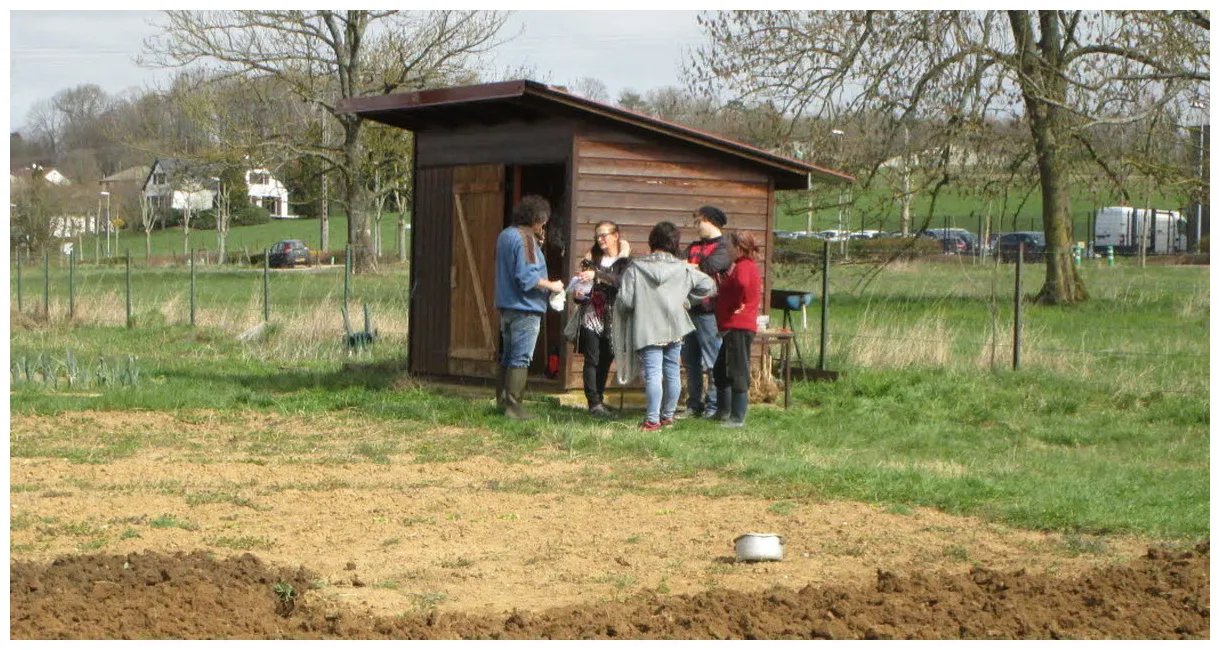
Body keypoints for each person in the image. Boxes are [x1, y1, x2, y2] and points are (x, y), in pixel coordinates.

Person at [614, 222, 716, 431]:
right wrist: (687, 301)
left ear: (652, 241)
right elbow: (710, 286)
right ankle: (667, 416)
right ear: (675, 243)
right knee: (672, 372)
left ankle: (652, 420)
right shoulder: (683, 268)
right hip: (675, 327)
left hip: (647, 327)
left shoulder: (636, 268)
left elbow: (625, 301)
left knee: (653, 374)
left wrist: (633, 309)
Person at [494, 194, 565, 420]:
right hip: (525, 307)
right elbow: (527, 278)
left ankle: (502, 402)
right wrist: (553, 285)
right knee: (521, 358)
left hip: (506, 306)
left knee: (508, 356)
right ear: (537, 218)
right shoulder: (526, 239)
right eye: (543, 221)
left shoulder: (506, 234)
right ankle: (514, 409)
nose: (544, 225)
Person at [572, 221, 632, 417]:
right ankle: (593, 402)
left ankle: (599, 398)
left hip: (614, 316)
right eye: (597, 236)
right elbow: (581, 289)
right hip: (592, 314)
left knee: (607, 357)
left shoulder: (626, 262)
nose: (600, 239)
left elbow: (621, 282)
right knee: (592, 358)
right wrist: (578, 293)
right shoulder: (591, 259)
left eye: (604, 235)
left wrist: (597, 275)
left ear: (616, 235)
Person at [680, 205, 732, 419]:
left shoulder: (725, 247)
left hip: (710, 312)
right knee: (690, 362)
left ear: (710, 221)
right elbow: (679, 267)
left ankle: (713, 406)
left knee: (712, 362)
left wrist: (690, 267)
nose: (695, 226)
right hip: (688, 310)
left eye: (698, 221)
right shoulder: (692, 247)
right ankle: (694, 405)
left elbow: (710, 267)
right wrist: (691, 267)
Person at [712, 230, 762, 428]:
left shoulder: (744, 266)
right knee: (720, 369)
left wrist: (737, 303)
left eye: (729, 247)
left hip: (739, 326)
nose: (726, 250)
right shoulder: (740, 266)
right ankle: (723, 411)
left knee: (737, 369)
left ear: (739, 248)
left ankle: (737, 416)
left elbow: (742, 284)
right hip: (731, 326)